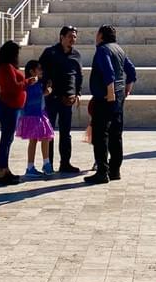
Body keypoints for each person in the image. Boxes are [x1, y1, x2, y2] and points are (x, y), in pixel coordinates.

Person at [85, 25, 137, 185]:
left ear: (101, 35)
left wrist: (110, 93)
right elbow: (132, 70)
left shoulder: (102, 50)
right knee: (116, 133)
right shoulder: (119, 49)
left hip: (106, 97)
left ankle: (102, 172)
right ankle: (115, 170)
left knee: (101, 135)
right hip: (119, 97)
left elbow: (108, 72)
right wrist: (127, 89)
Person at [40, 25, 83, 174]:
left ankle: (65, 163)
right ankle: (48, 164)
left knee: (66, 133)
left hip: (68, 100)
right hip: (52, 99)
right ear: (62, 37)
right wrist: (44, 89)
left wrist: (77, 93)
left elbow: (79, 76)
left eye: (75, 36)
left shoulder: (76, 55)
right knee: (49, 132)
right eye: (70, 36)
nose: (73, 39)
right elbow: (40, 72)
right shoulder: (50, 53)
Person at [0, 40, 30, 186]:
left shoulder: (8, 67)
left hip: (12, 107)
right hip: (8, 106)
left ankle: (5, 169)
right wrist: (28, 82)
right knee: (6, 139)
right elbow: (14, 87)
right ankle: (2, 172)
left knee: (7, 139)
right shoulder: (6, 67)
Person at [17, 60, 55, 178]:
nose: (41, 71)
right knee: (39, 138)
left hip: (39, 113)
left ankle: (40, 164)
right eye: (39, 69)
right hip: (33, 115)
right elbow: (32, 97)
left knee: (44, 137)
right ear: (32, 71)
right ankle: (37, 165)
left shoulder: (37, 83)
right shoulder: (29, 84)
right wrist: (45, 93)